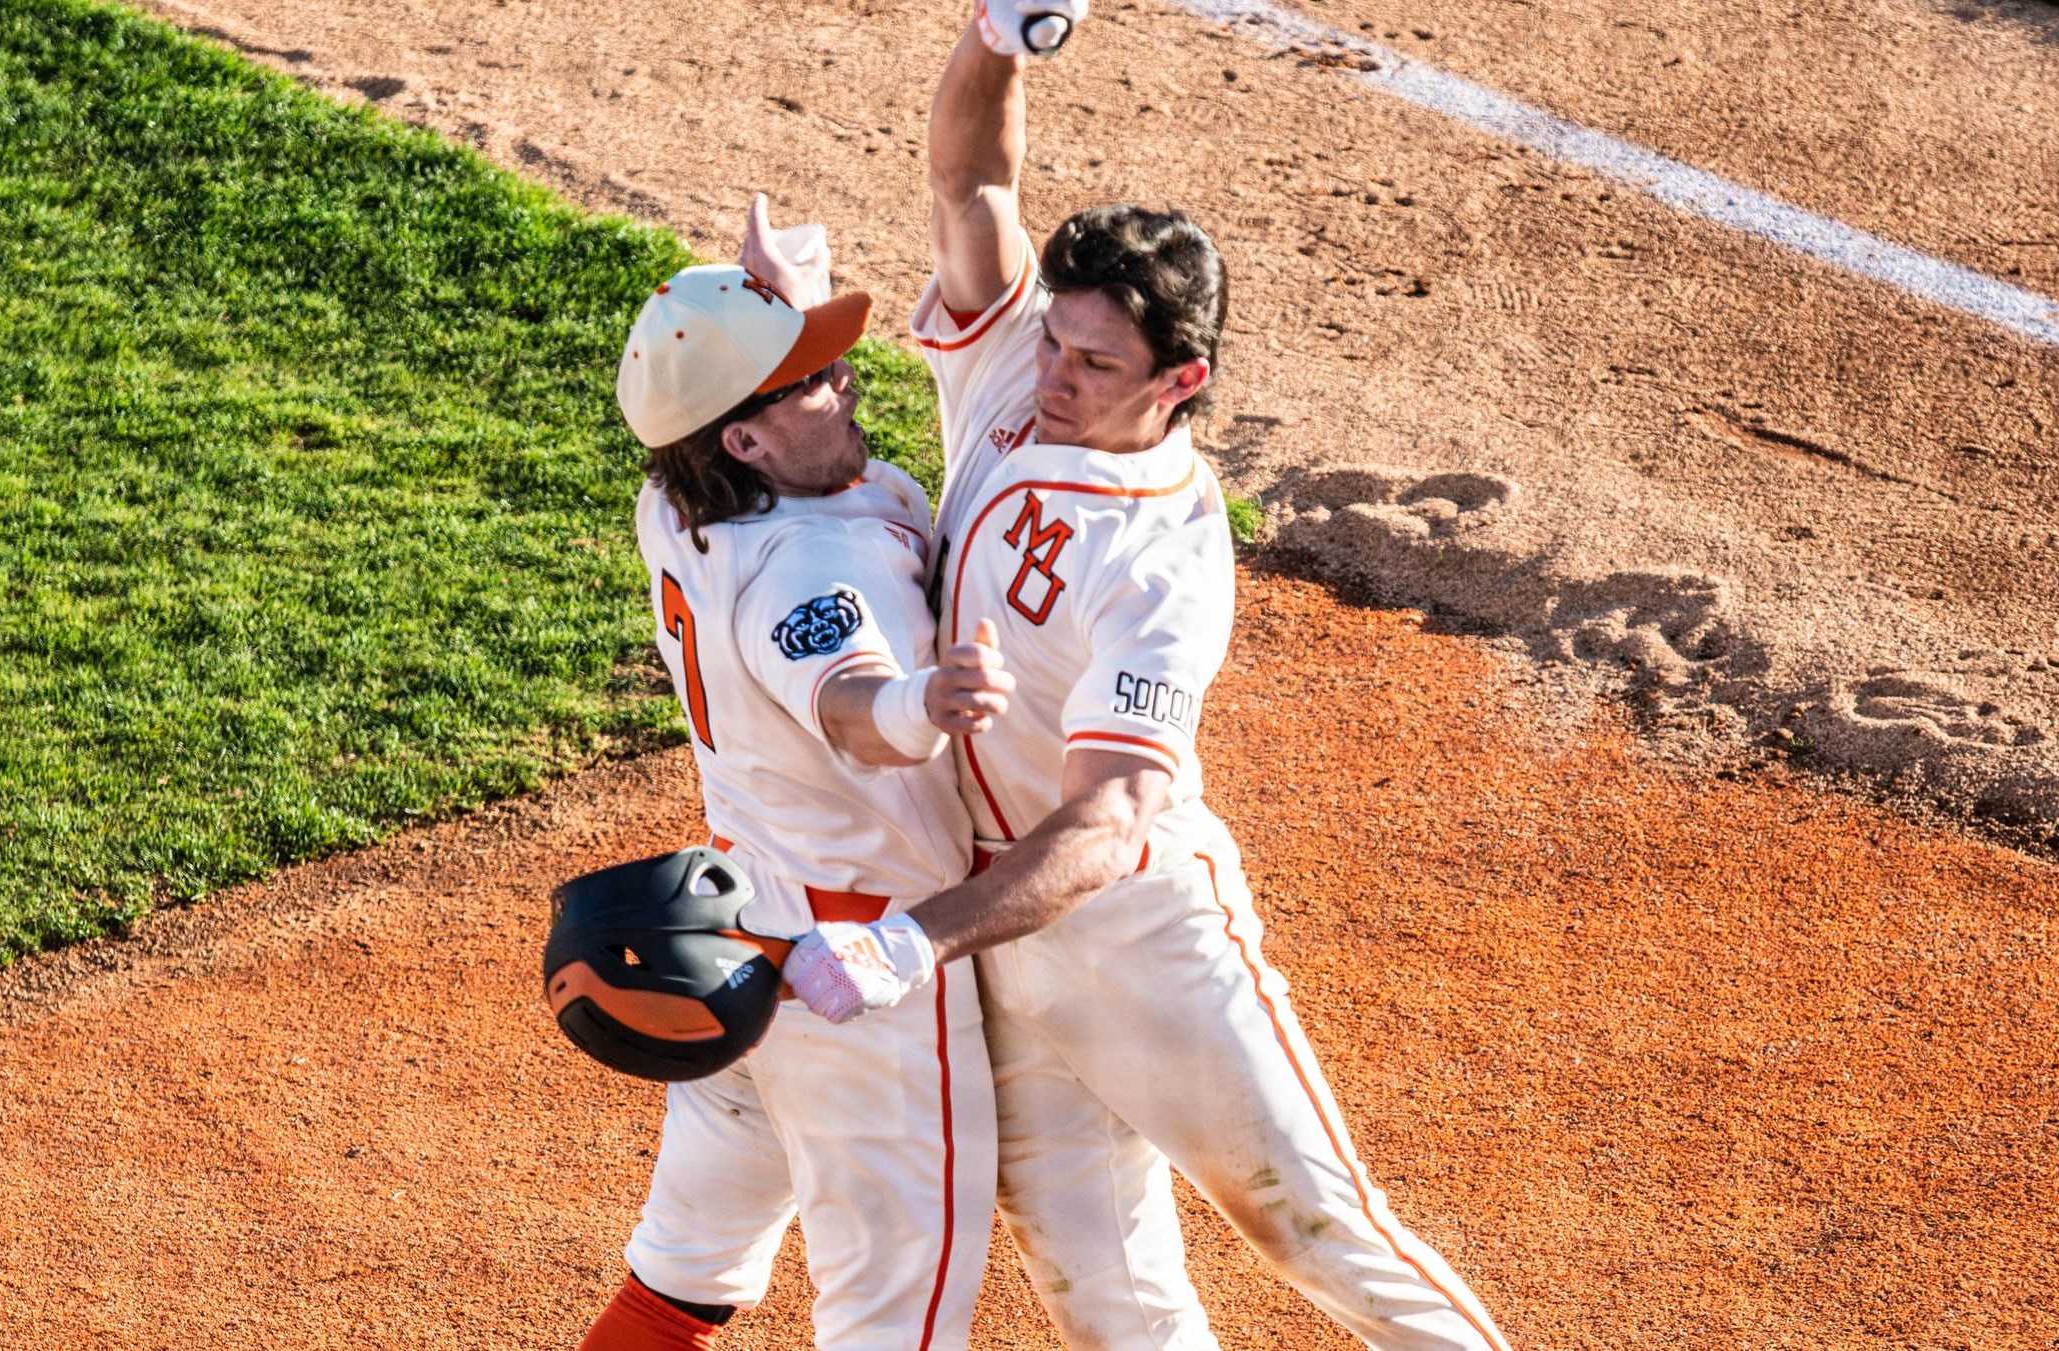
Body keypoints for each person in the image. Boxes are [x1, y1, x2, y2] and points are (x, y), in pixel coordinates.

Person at [778, 8, 1514, 1350]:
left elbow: (1112, 819)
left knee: (1321, 1230)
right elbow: (971, 179)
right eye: (1054, 345)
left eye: (1094, 364)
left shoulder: (1164, 551)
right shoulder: (1017, 376)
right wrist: (998, 35)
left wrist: (913, 937)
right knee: (1105, 1293)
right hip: (1002, 936)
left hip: (1134, 933)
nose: (1052, 377)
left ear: (1183, 380)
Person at [584, 196, 1014, 1351]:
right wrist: (922, 703)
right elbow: (849, 702)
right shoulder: (807, 573)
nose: (848, 381)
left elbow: (726, 401)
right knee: (893, 1322)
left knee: (679, 1281)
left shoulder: (675, 500)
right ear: (745, 439)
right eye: (814, 377)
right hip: (856, 984)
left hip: (738, 943)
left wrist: (775, 306)